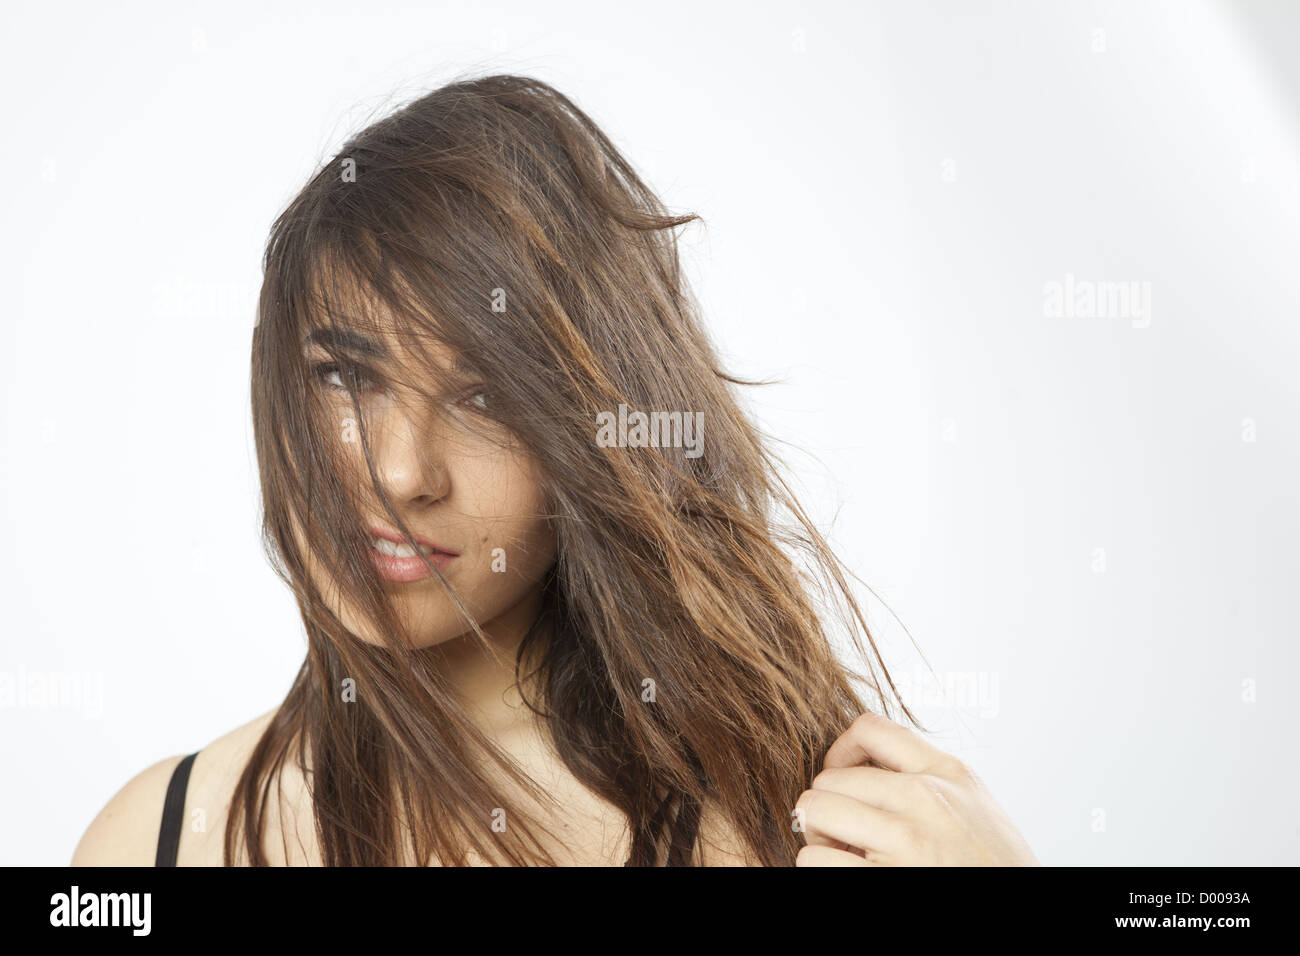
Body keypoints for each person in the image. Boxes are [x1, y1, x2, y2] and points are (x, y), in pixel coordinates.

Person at [71, 74, 1039, 867]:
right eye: (345, 376)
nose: (403, 471)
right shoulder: (147, 846)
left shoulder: (789, 820)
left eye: (487, 396)